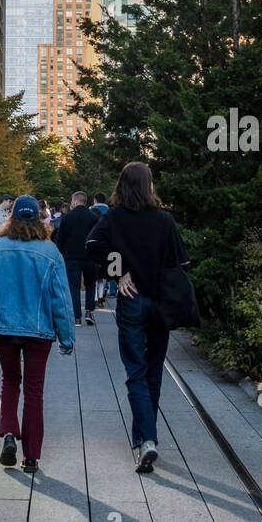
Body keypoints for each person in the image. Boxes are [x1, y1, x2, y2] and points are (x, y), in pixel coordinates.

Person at [86, 161, 189, 475]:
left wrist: (119, 271)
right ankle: (147, 438)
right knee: (154, 371)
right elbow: (181, 262)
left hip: (131, 302)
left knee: (135, 371)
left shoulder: (113, 218)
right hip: (159, 303)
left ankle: (146, 440)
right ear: (149, 186)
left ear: (122, 185)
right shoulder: (165, 221)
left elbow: (92, 246)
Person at [0, 194, 75, 473]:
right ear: (39, 219)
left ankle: (7, 433)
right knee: (34, 390)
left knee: (9, 381)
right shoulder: (50, 252)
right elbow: (61, 299)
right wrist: (67, 337)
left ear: (12, 217)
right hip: (39, 332)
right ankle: (31, 457)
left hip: (3, 330)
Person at [54, 191, 100, 327]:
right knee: (91, 284)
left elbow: (60, 239)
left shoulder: (67, 218)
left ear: (74, 201)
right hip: (89, 256)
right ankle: (89, 312)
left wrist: (60, 254)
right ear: (85, 202)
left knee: (73, 286)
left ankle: (77, 317)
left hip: (71, 257)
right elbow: (98, 238)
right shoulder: (93, 218)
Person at [90, 193, 112, 305]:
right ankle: (101, 295)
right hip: (107, 246)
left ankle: (94, 297)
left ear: (95, 200)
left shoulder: (90, 210)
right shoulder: (110, 211)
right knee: (103, 275)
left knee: (94, 275)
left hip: (93, 244)